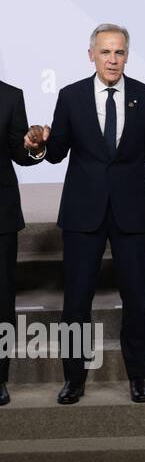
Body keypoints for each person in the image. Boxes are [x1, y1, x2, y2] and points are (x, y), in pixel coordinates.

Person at [35, 24, 145, 404]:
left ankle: (138, 377)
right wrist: (41, 142)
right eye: (105, 52)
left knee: (135, 298)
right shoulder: (71, 96)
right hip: (83, 213)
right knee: (76, 302)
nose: (112, 59)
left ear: (127, 56)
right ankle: (74, 379)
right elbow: (57, 152)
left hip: (131, 212)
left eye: (119, 53)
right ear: (91, 56)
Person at [0, 80, 46, 406]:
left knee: (1, 301)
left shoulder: (10, 96)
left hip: (0, 216)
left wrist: (33, 145)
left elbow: (21, 153)